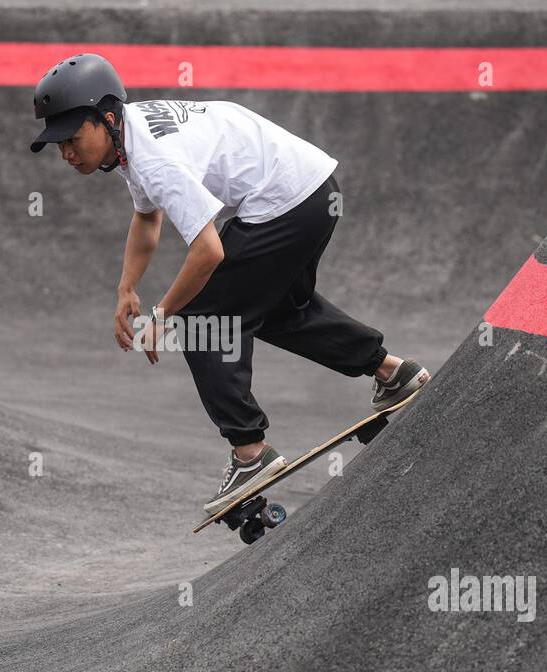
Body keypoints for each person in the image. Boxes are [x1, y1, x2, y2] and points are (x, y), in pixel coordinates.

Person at [29, 52, 429, 516]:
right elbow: (146, 217)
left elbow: (208, 252)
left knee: (204, 318)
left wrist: (164, 314)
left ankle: (249, 452)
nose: (67, 154)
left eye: (72, 139)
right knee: (278, 310)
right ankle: (390, 372)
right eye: (59, 146)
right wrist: (126, 287)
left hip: (284, 202)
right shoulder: (131, 136)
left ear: (107, 118)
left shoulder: (155, 160)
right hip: (315, 192)